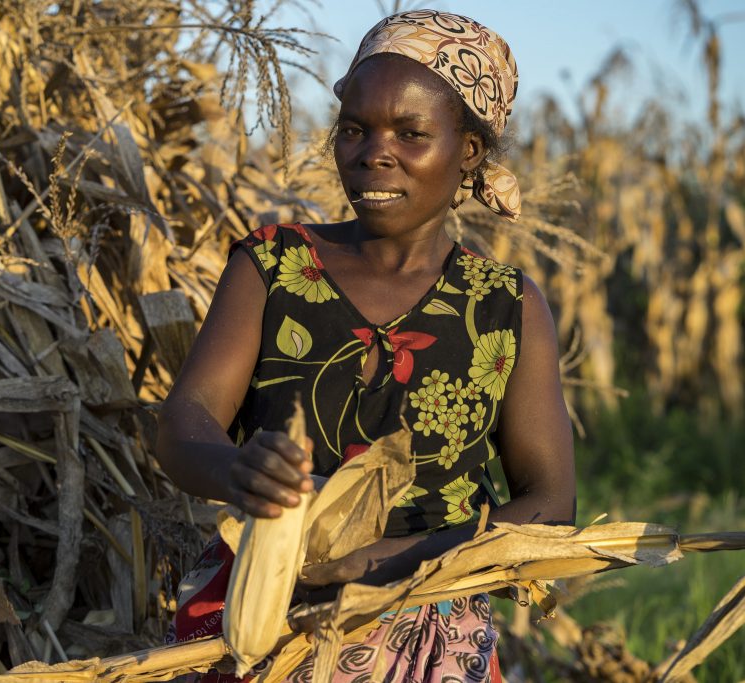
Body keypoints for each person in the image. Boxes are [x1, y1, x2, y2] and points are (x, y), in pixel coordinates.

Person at [156, 9, 575, 682]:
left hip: (431, 630)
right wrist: (237, 469)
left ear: (468, 151)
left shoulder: (505, 306)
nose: (372, 151)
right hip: (264, 611)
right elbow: (183, 422)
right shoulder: (275, 265)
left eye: (410, 133)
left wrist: (390, 557)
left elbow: (551, 502)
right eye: (354, 128)